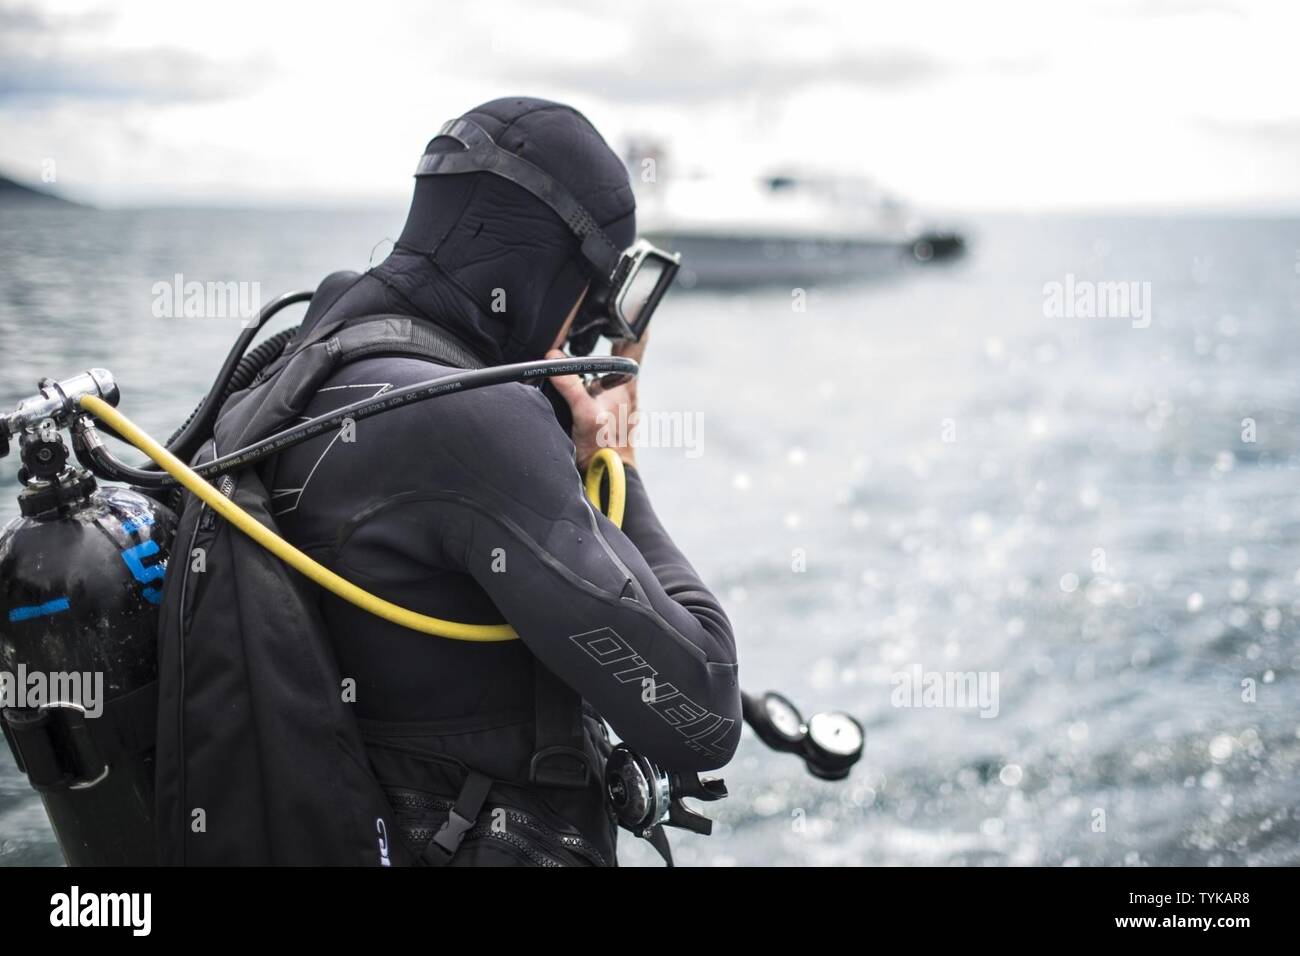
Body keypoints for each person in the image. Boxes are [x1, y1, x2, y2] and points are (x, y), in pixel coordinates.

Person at [264, 97, 740, 865]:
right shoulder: (476, 421)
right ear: (552, 270)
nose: (578, 334)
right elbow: (703, 713)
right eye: (587, 297)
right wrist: (615, 459)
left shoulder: (302, 367)